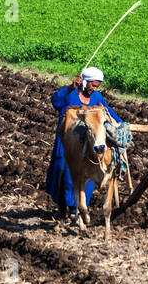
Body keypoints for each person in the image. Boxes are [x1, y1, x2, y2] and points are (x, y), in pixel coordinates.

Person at [44, 66, 123, 220]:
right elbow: (55, 101)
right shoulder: (71, 94)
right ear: (84, 81)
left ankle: (78, 207)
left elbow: (108, 112)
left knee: (88, 172)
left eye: (97, 86)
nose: (94, 89)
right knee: (64, 170)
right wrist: (69, 88)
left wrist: (122, 124)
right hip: (68, 141)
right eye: (92, 85)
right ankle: (66, 206)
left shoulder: (97, 98)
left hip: (88, 143)